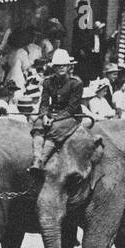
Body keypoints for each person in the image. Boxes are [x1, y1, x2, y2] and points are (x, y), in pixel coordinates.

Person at [30, 49, 85, 177]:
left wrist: (53, 120)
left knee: (54, 129)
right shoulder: (48, 82)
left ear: (69, 66)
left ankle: (42, 161)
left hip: (71, 116)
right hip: (52, 113)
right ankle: (36, 159)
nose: (61, 68)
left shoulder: (76, 83)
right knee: (38, 125)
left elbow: (72, 108)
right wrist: (44, 116)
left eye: (64, 65)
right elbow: (43, 103)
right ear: (54, 67)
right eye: (58, 66)